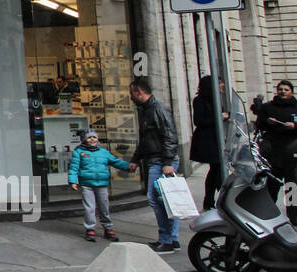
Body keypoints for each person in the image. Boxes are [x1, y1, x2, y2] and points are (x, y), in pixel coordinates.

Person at [129, 77, 179, 253]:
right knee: (166, 200)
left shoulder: (157, 109)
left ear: (139, 92)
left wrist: (168, 162)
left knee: (157, 199)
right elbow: (146, 139)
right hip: (157, 159)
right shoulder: (147, 110)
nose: (130, 97)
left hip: (161, 160)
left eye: (132, 93)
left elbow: (170, 136)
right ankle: (171, 238)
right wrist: (136, 159)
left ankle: (167, 239)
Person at [68, 129, 132, 241]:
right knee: (90, 208)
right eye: (89, 137)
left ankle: (108, 228)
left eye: (94, 137)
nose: (92, 139)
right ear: (84, 139)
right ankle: (90, 229)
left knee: (104, 207)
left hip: (102, 184)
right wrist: (73, 181)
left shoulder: (104, 152)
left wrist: (128, 166)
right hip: (87, 184)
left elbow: (116, 162)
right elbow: (74, 168)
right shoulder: (79, 152)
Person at [253, 80, 297, 176]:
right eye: (280, 89)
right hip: (273, 150)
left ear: (292, 92)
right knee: (273, 180)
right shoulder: (267, 107)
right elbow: (259, 124)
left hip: (294, 148)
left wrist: (295, 126)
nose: (283, 92)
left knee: (292, 181)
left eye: (286, 90)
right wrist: (267, 121)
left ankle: (291, 191)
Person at [190, 75, 228, 211]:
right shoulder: (200, 100)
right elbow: (199, 121)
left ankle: (214, 200)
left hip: (215, 139)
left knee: (216, 170)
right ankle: (217, 200)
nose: (222, 85)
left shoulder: (216, 100)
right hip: (207, 141)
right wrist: (219, 117)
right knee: (216, 169)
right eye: (219, 83)